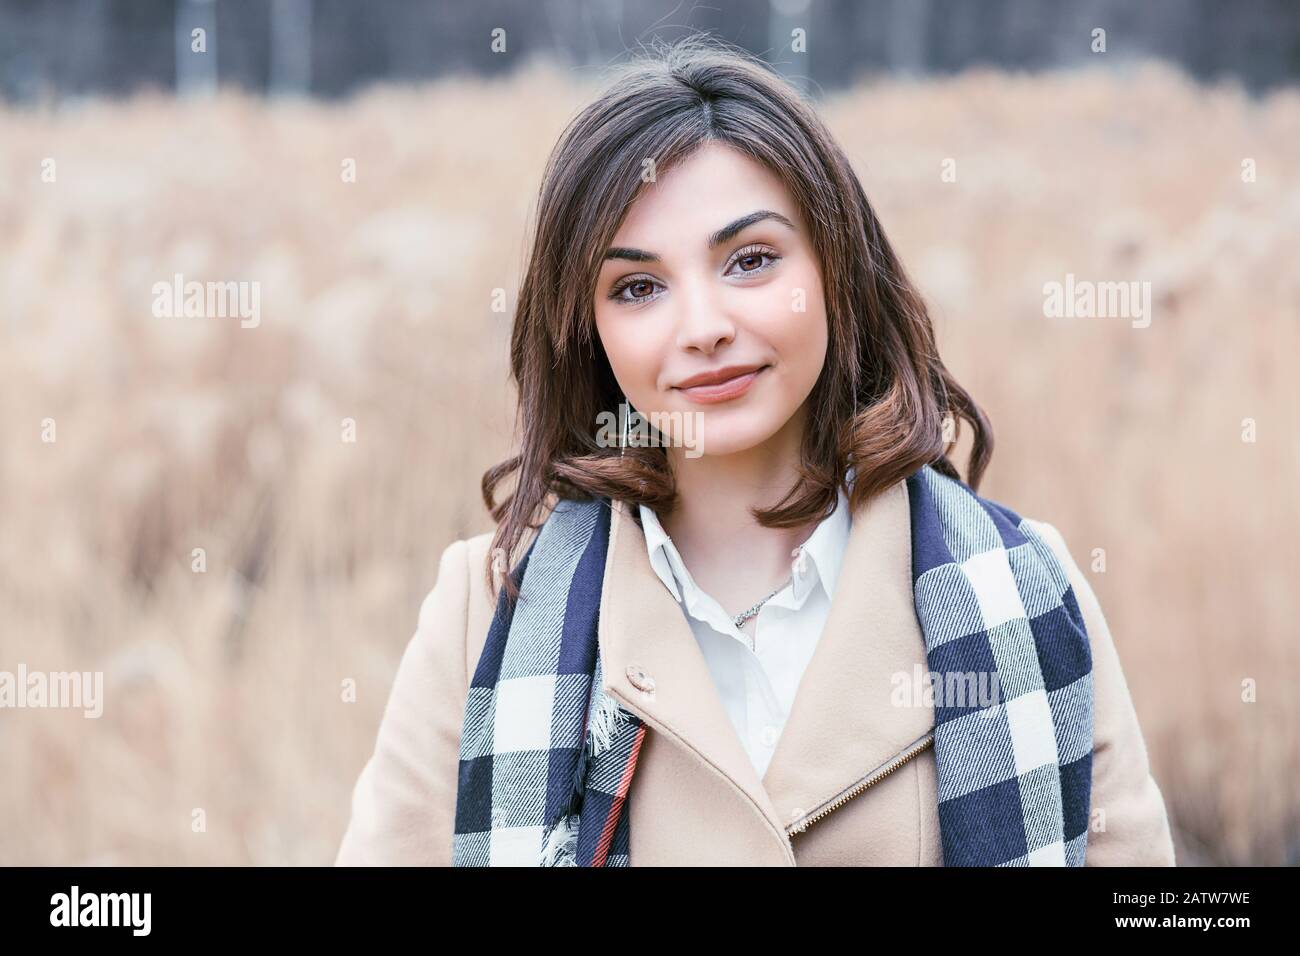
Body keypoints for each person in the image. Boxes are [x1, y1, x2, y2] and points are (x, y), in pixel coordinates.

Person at [335, 36, 1175, 867]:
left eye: (751, 260)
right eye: (638, 286)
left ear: (838, 271)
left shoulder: (1025, 593)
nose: (704, 328)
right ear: (587, 332)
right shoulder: (483, 616)